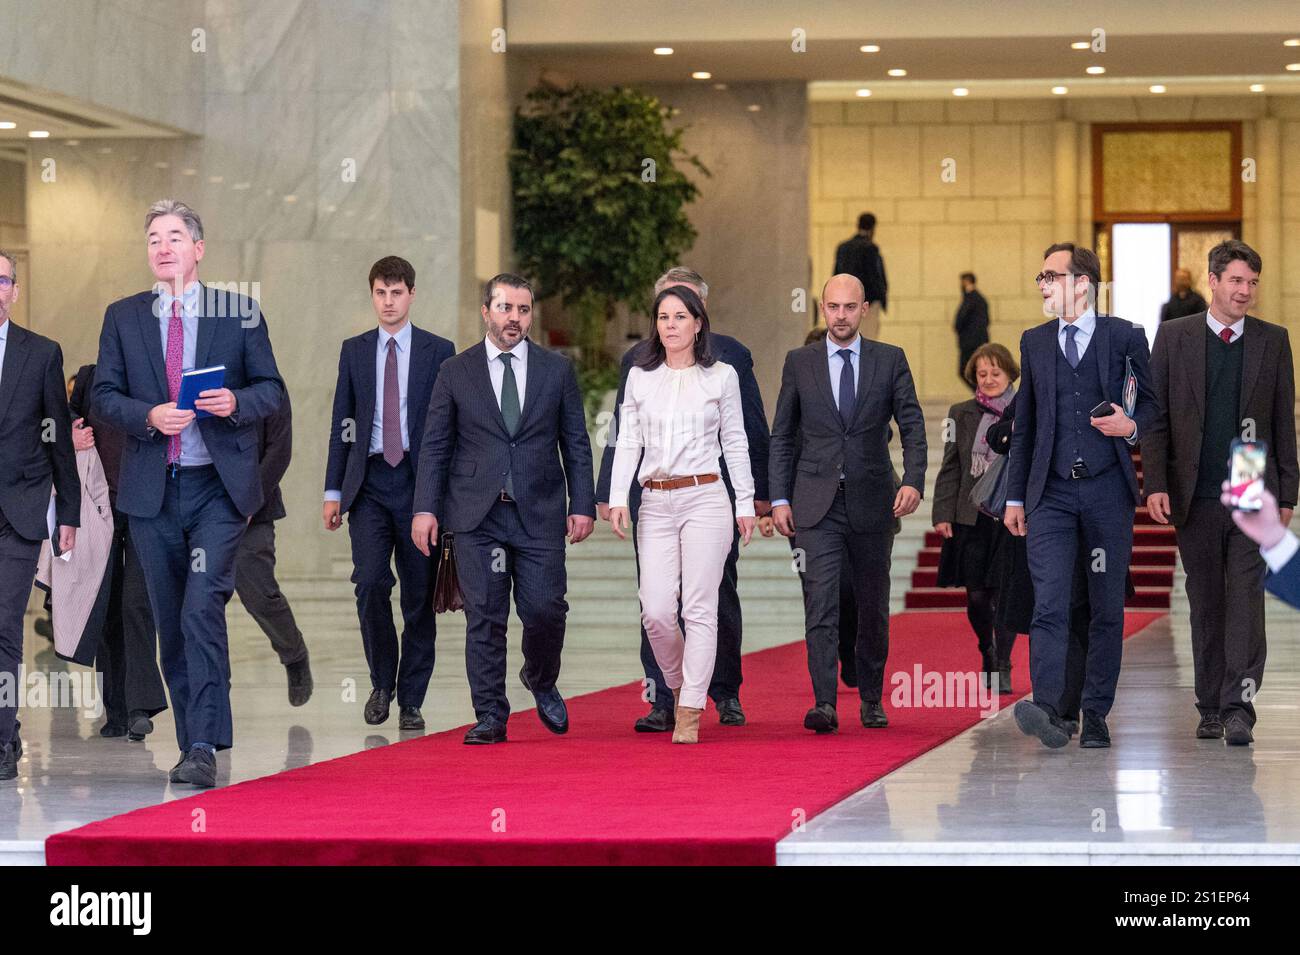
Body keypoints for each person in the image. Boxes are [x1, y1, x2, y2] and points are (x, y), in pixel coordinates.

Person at [92, 199, 284, 788]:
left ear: (198, 249)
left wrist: (237, 403)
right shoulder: (124, 317)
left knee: (202, 607)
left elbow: (272, 390)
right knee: (175, 620)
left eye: (175, 236)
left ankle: (199, 744)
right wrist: (148, 414)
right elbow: (102, 396)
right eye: (154, 238)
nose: (164, 246)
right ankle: (202, 730)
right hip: (153, 492)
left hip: (217, 492)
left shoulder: (239, 313)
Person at [412, 273, 595, 745]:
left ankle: (541, 677)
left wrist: (583, 504)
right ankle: (490, 713)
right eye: (506, 308)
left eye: (523, 309)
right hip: (476, 514)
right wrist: (425, 509)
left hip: (539, 511)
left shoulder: (556, 371)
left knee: (545, 610)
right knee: (485, 616)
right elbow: (435, 445)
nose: (514, 318)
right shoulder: (456, 371)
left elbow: (575, 442)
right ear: (486, 311)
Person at [595, 267, 770, 733]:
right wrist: (616, 498)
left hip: (707, 498)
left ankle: (691, 707)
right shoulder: (638, 377)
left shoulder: (723, 376)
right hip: (654, 501)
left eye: (680, 316)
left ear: (698, 322)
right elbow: (627, 440)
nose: (670, 324)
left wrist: (746, 504)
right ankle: (678, 685)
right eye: (663, 316)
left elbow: (736, 442)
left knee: (699, 606)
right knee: (655, 610)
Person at [1144, 240, 1297, 746]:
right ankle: (1209, 705)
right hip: (1195, 492)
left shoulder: (1273, 341)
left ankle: (1239, 707)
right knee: (1206, 599)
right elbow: (1157, 417)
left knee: (1247, 599)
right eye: (1236, 281)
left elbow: (1281, 423)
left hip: (1252, 489)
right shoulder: (1172, 337)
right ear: (1212, 281)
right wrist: (1157, 483)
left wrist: (1289, 492)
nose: (1245, 291)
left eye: (1252, 282)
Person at [1004, 242, 1156, 750]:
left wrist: (1130, 425)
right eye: (1040, 276)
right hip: (1050, 494)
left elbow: (1153, 408)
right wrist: (1014, 497)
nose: (1043, 284)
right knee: (1048, 602)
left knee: (1105, 606)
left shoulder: (1125, 337)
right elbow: (1024, 425)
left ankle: (1095, 713)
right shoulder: (1033, 341)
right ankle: (1048, 706)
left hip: (1107, 492)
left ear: (1081, 283)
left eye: (1051, 275)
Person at [769, 273, 926, 733]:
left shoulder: (889, 359)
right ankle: (824, 704)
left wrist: (914, 480)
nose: (841, 316)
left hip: (873, 501)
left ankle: (873, 699)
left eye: (850, 307)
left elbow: (912, 424)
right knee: (820, 603)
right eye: (833, 307)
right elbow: (782, 434)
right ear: (823, 309)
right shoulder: (800, 362)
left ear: (864, 310)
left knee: (872, 605)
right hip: (814, 505)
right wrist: (779, 497)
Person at [323, 256, 455, 730]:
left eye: (396, 293)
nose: (388, 301)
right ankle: (382, 681)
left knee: (419, 598)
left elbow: (447, 430)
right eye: (381, 292)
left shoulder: (439, 351)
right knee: (371, 582)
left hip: (420, 489)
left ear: (412, 294)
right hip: (370, 484)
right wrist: (333, 490)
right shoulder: (355, 350)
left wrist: (442, 500)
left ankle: (412, 698)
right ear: (372, 294)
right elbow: (343, 421)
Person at [0, 249, 80, 781]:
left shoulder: (40, 352)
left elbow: (60, 440)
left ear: (15, 289)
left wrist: (68, 512)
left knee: (4, 623)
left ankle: (2, 738)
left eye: (2, 279)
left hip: (20, 509)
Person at [69, 363, 168, 741]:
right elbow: (64, 415)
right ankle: (117, 709)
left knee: (136, 604)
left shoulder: (158, 374)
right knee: (107, 607)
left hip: (146, 506)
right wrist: (70, 432)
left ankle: (141, 706)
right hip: (99, 509)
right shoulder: (91, 377)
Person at [931, 343, 1019, 692]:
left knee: (1007, 593)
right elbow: (951, 465)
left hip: (1011, 515)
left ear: (1010, 373)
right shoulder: (959, 413)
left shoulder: (1025, 410)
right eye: (982, 374)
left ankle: (1003, 662)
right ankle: (987, 647)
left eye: (996, 372)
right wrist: (942, 512)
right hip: (971, 516)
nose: (989, 379)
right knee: (978, 596)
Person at [237, 392, 313, 706]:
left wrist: (250, 499)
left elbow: (279, 449)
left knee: (257, 590)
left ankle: (293, 653)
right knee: (198, 604)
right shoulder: (198, 371)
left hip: (254, 506)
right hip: (201, 499)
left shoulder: (266, 382)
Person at [833, 213, 888, 342]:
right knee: (868, 341)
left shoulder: (843, 248)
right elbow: (875, 277)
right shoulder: (871, 248)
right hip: (868, 303)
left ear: (857, 225)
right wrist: (882, 298)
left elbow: (836, 276)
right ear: (873, 228)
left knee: (847, 340)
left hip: (845, 302)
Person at [954, 273, 990, 387]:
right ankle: (982, 395)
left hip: (970, 344)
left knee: (966, 371)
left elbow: (961, 319)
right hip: (978, 343)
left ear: (967, 281)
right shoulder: (980, 299)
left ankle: (981, 395)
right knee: (975, 371)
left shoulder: (970, 298)